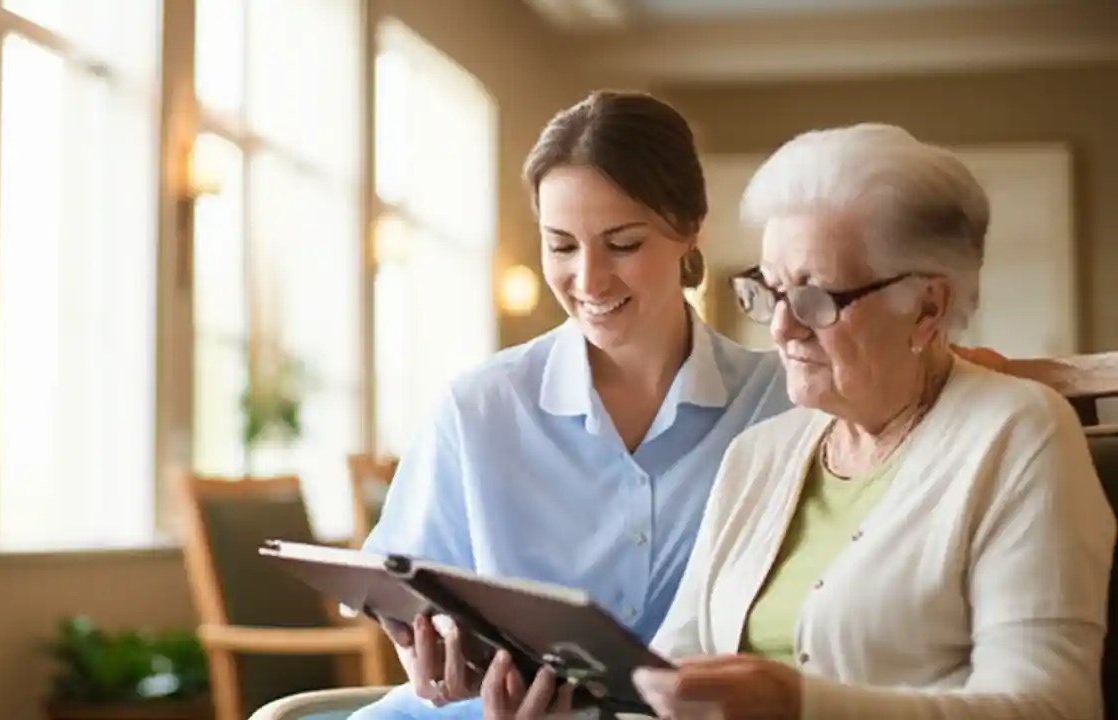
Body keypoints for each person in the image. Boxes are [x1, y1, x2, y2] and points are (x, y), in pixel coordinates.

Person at [350, 93, 1009, 720]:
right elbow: (403, 595)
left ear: (690, 229)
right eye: (561, 245)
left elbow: (923, 387)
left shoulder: (789, 403)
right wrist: (430, 653)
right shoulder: (479, 407)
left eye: (623, 243)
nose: (589, 279)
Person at [624, 124, 1116, 720]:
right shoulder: (759, 455)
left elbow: (1053, 708)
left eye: (816, 297)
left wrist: (798, 705)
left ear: (928, 307)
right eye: (771, 290)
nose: (781, 328)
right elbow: (672, 672)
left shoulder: (1019, 434)